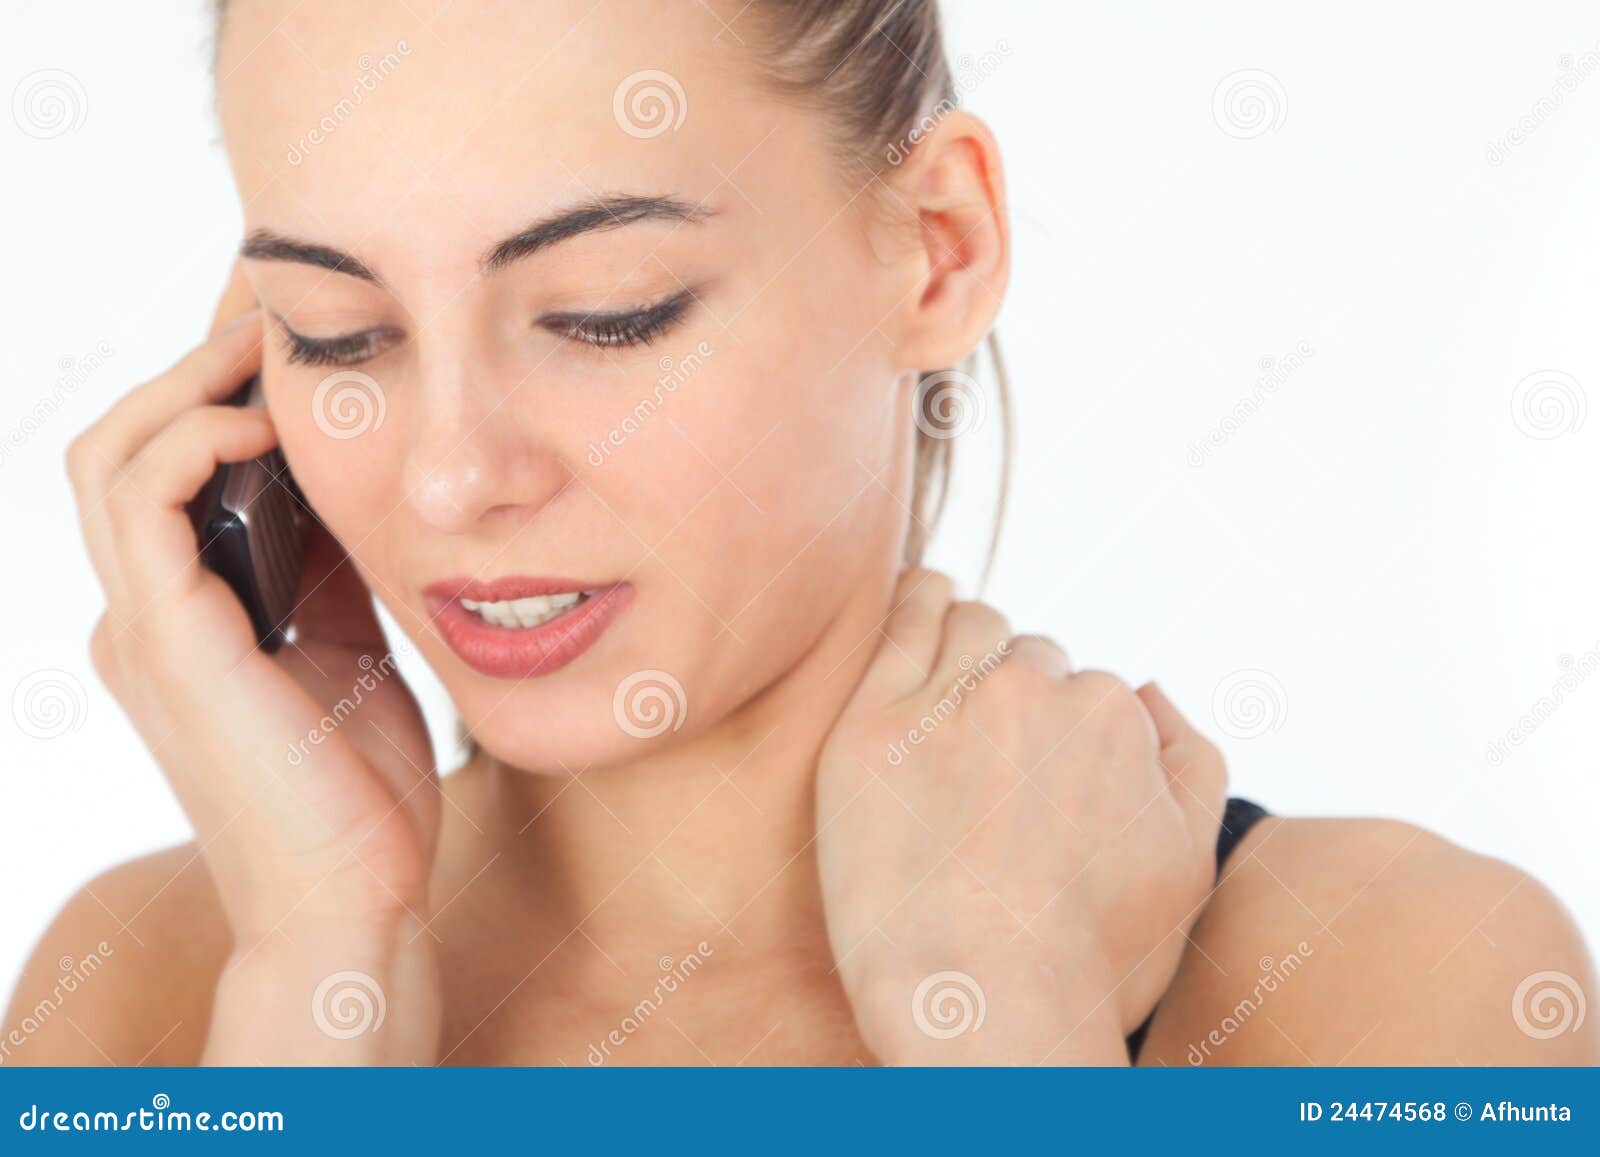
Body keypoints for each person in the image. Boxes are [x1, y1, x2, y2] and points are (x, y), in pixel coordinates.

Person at [7, 0, 1595, 1066]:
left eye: (607, 313)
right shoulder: (143, 1005)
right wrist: (320, 976)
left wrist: (1002, 1024)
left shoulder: (1396, 985)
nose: (449, 478)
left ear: (937, 248)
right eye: (336, 330)